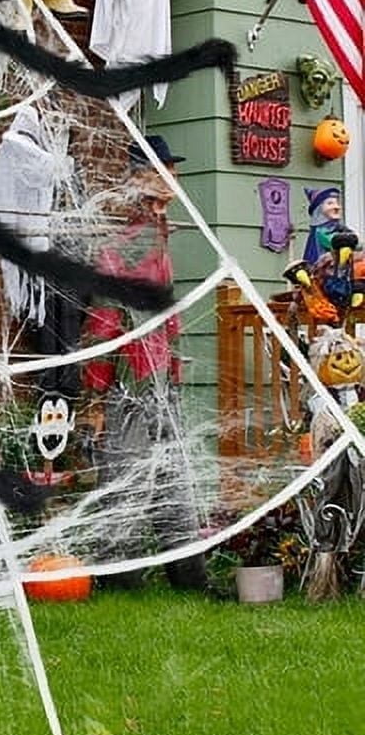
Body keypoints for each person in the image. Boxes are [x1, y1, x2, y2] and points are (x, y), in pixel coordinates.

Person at [81, 135, 213, 593]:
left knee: (175, 480)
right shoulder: (127, 243)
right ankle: (122, 580)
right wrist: (96, 396)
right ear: (141, 178)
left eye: (173, 175)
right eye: (164, 174)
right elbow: (105, 320)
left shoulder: (156, 236)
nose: (173, 184)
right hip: (129, 384)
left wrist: (173, 369)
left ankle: (189, 577)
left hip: (159, 380)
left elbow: (165, 316)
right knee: (125, 481)